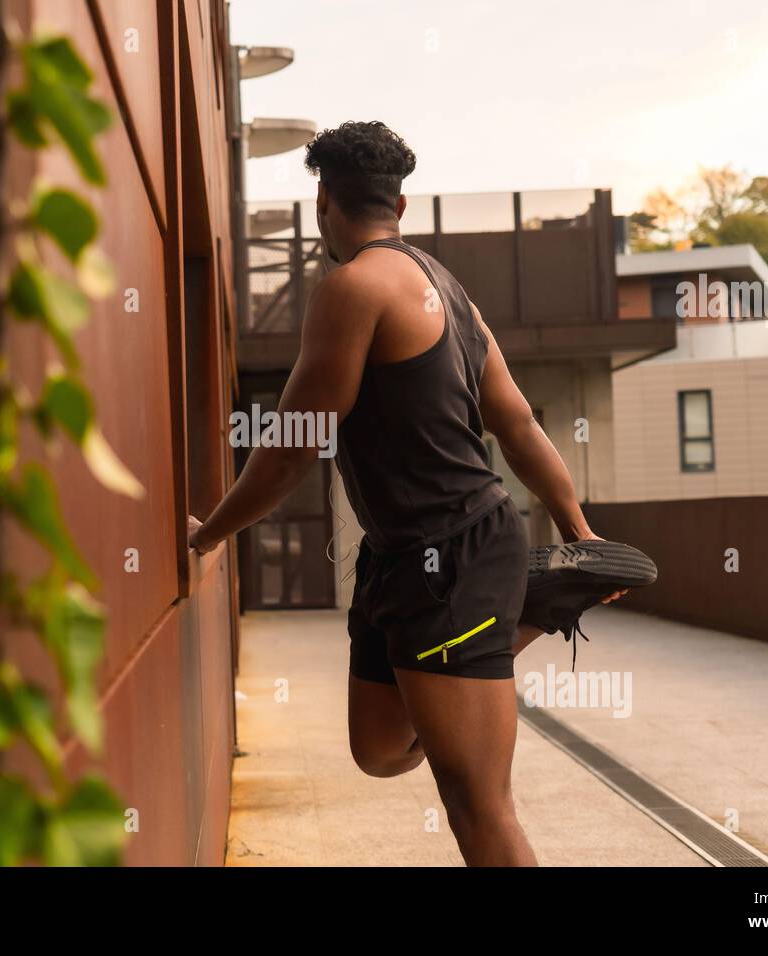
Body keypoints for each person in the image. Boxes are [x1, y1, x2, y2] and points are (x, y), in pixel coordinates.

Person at [187, 121, 632, 866]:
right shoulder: (447, 288)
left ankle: (524, 611)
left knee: (479, 806)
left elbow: (294, 448)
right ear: (402, 201)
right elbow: (518, 424)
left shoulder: (351, 289)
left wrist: (208, 535)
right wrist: (573, 525)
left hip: (455, 556)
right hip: (400, 559)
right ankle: (532, 611)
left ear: (323, 201)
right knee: (380, 750)